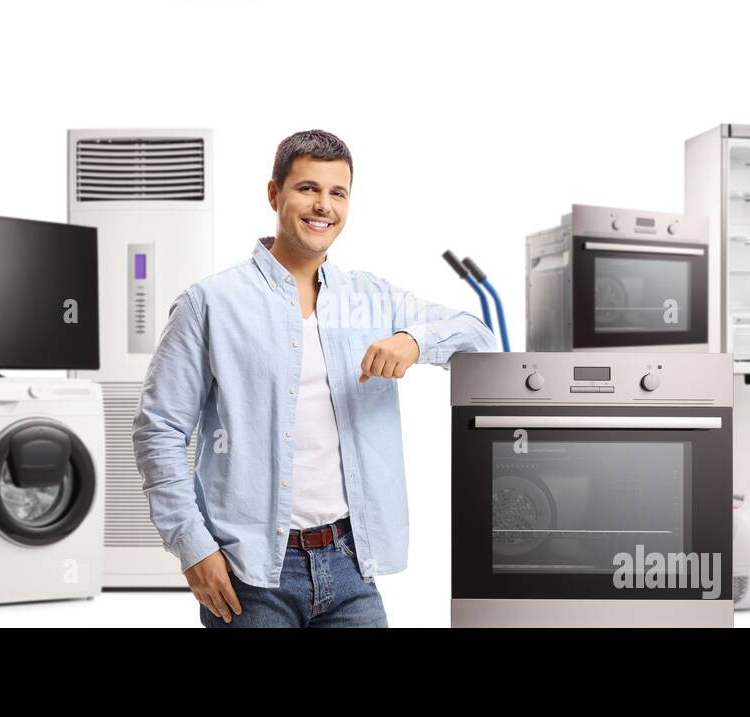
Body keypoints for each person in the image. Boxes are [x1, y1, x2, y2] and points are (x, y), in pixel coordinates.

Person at [132, 129, 495, 627]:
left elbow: (479, 337)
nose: (323, 205)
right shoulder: (210, 303)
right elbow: (159, 432)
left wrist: (414, 341)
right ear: (274, 194)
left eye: (337, 193)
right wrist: (194, 550)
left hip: (351, 567)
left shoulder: (372, 298)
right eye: (307, 188)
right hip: (249, 574)